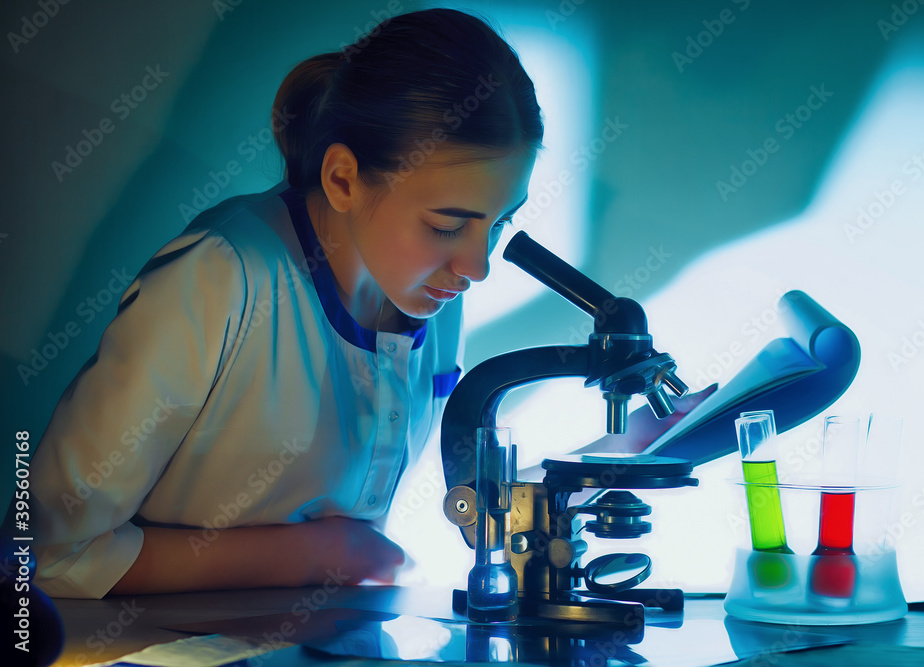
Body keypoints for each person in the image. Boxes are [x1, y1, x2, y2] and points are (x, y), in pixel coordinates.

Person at [29, 7, 542, 599]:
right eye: (448, 226)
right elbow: (46, 555)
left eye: (498, 224)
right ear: (343, 179)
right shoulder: (220, 276)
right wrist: (323, 554)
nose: (476, 268)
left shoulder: (432, 291)